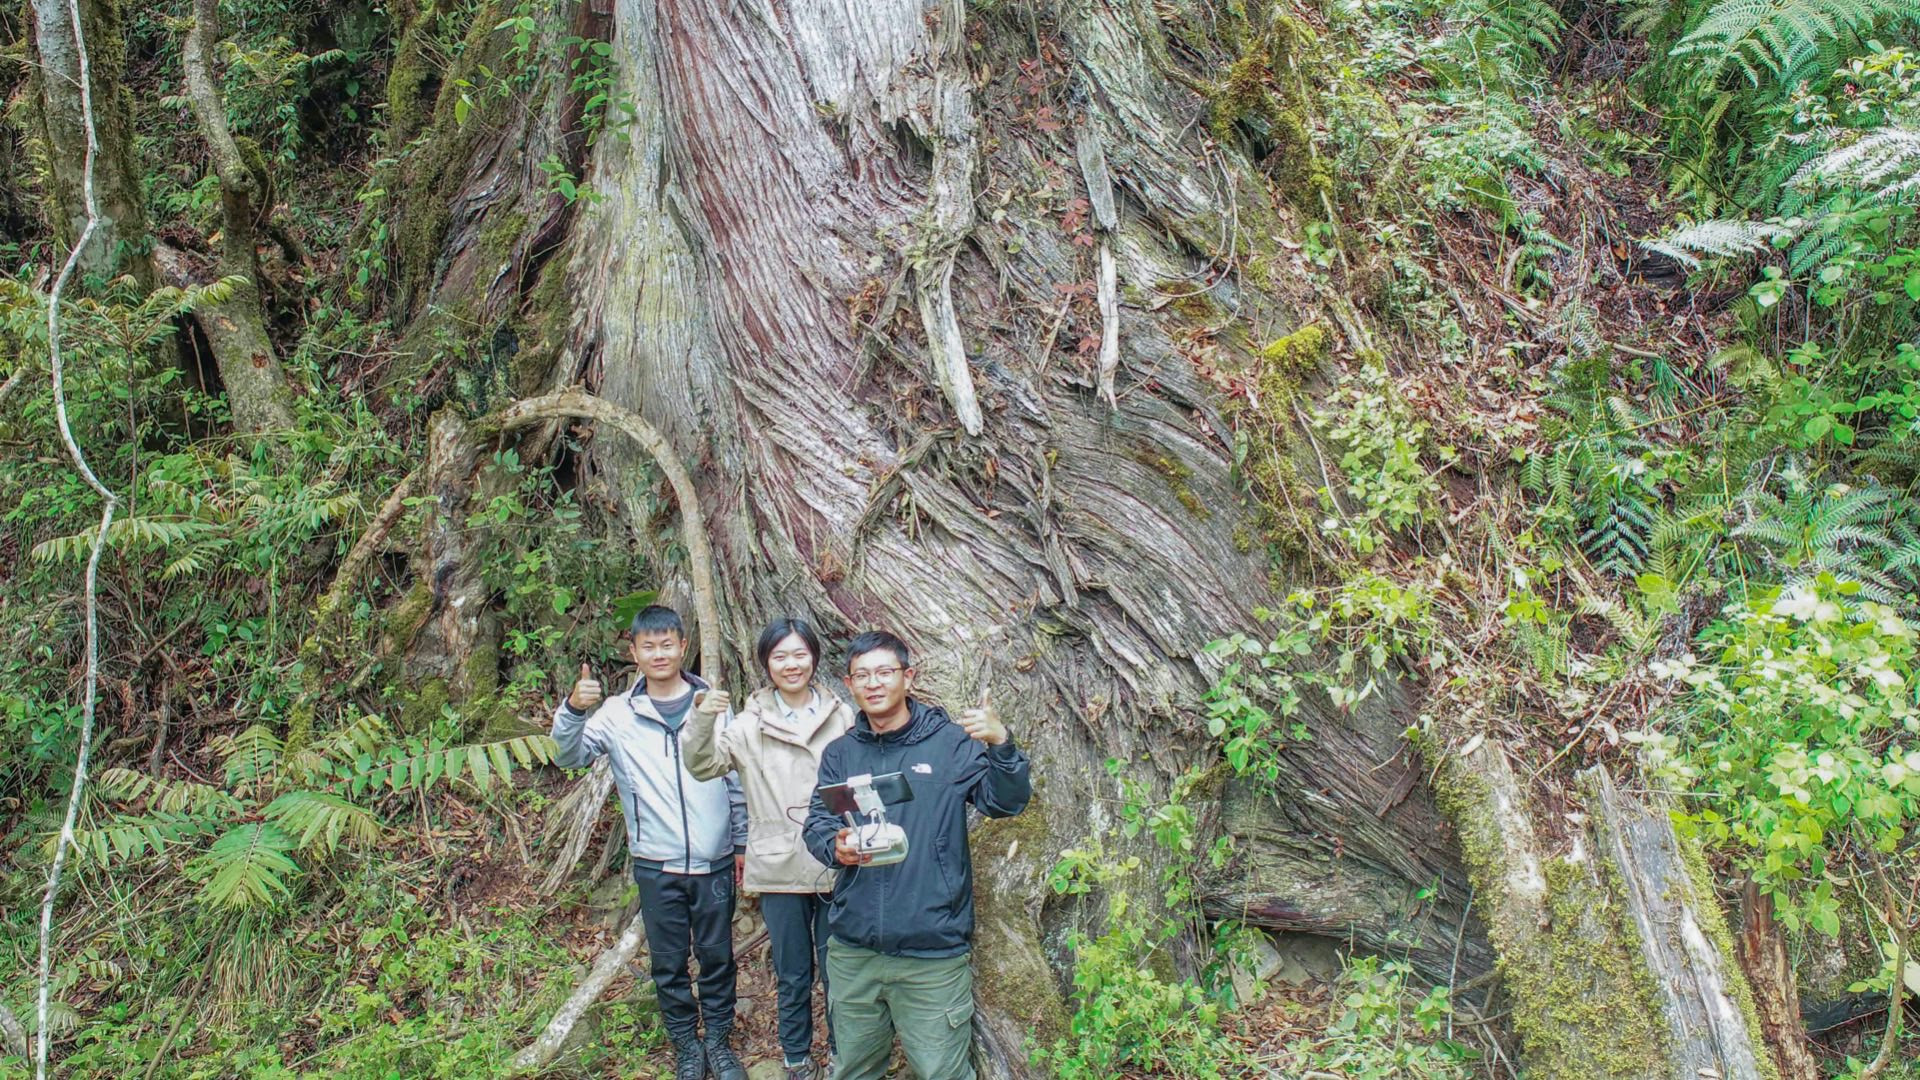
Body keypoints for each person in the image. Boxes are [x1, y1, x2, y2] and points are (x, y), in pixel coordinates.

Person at [801, 631, 1032, 1080]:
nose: (874, 683)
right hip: (854, 949)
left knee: (942, 1072)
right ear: (849, 685)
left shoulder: (948, 744)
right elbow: (818, 821)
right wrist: (836, 846)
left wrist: (1001, 745)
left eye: (885, 672)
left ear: (907, 677)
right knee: (852, 1069)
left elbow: (1005, 803)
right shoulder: (841, 753)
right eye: (862, 675)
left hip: (932, 951)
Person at [552, 604, 749, 1080]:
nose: (659, 654)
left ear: (684, 647)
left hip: (715, 859)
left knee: (717, 955)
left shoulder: (715, 706)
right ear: (634, 653)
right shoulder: (619, 714)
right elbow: (568, 756)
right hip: (656, 863)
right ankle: (686, 1046)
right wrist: (575, 709)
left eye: (667, 644)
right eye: (648, 646)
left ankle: (719, 1043)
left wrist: (741, 843)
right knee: (668, 961)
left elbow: (738, 782)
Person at [683, 617, 854, 1080]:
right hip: (780, 863)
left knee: (840, 970)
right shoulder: (746, 723)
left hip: (839, 858)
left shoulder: (844, 715)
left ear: (815, 658)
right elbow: (702, 765)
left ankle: (844, 1055)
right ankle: (796, 1057)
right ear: (765, 664)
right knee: (794, 972)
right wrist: (700, 718)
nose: (791, 664)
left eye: (800, 654)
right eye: (780, 656)